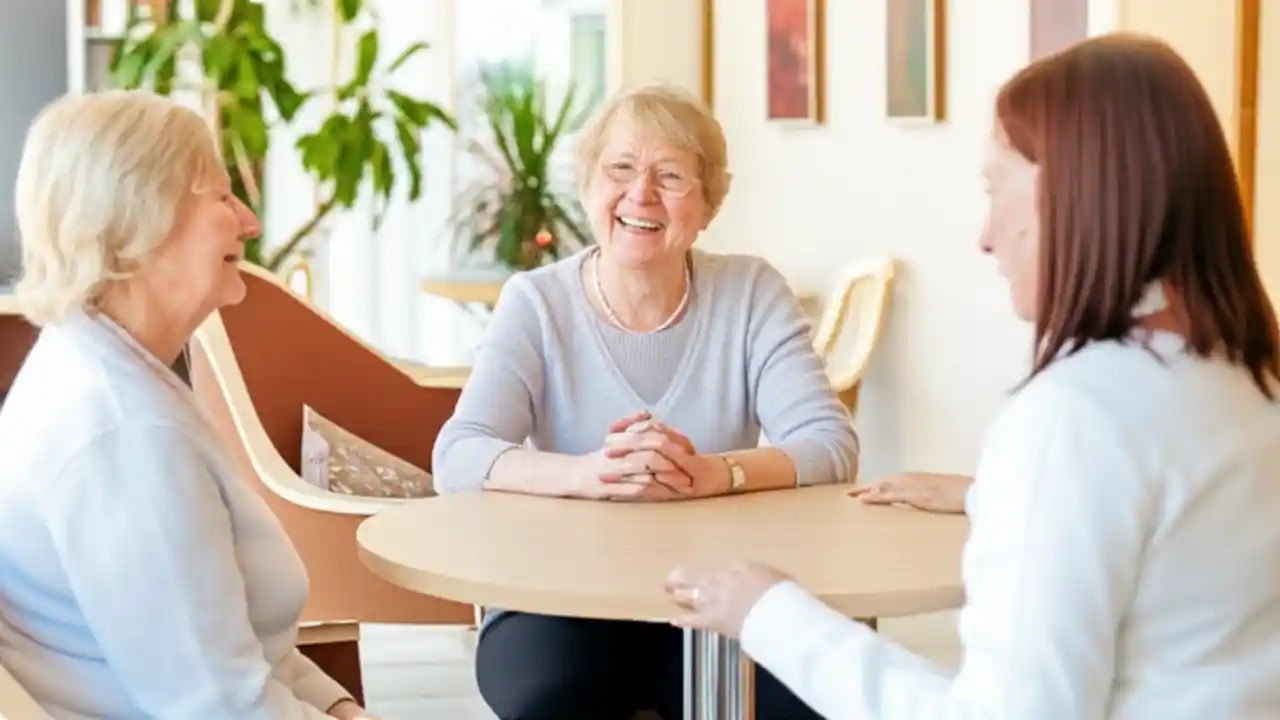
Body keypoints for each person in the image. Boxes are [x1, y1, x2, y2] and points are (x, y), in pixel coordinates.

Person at [664, 34, 1280, 719]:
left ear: (1078, 195)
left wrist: (768, 612)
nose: (984, 235)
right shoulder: (1247, 380)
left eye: (996, 189)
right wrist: (996, 497)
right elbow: (1174, 556)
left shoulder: (1073, 418)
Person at [432, 83, 859, 719]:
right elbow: (458, 456)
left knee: (813, 701)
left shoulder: (750, 293)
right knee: (552, 700)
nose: (642, 194)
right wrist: (587, 474)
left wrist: (716, 472)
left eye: (672, 177)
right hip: (557, 599)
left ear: (709, 203)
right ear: (589, 186)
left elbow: (830, 444)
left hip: (717, 597)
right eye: (621, 169)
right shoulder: (537, 302)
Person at [0, 90, 376, 719]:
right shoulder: (122, 431)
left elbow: (239, 645)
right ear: (135, 221)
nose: (250, 222)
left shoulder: (110, 370)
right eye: (223, 198)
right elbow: (218, 707)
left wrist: (341, 709)